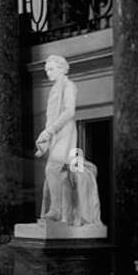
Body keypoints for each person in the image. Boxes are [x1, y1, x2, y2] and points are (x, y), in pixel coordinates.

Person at [35, 54, 78, 222]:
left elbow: (69, 112)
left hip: (65, 132)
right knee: (52, 171)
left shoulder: (69, 86)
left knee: (52, 169)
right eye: (46, 70)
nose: (48, 73)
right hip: (56, 133)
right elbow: (50, 117)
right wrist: (45, 141)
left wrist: (50, 131)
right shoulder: (55, 89)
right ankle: (56, 210)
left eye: (51, 69)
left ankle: (57, 210)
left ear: (61, 69)